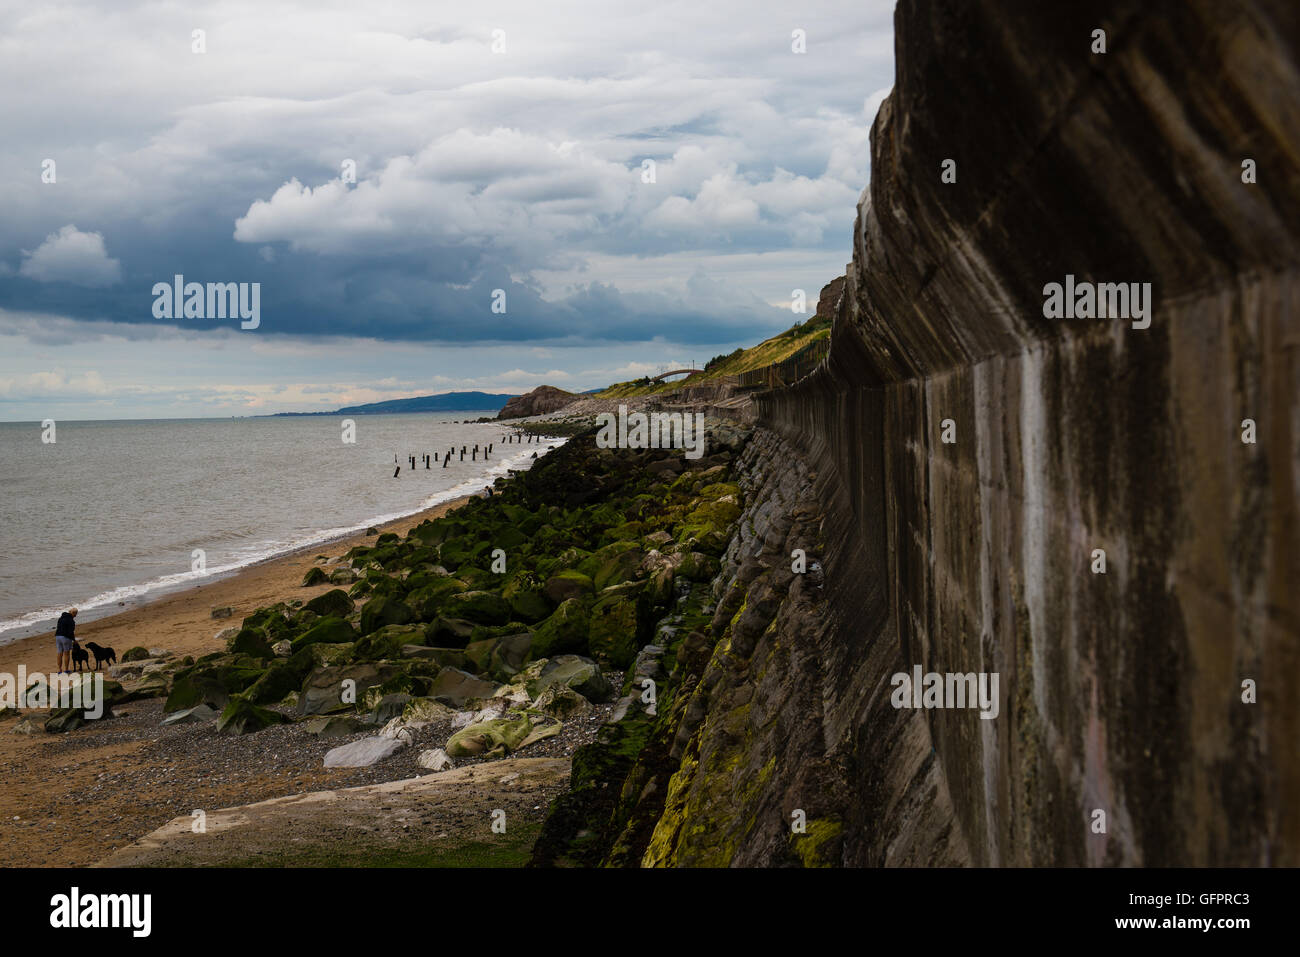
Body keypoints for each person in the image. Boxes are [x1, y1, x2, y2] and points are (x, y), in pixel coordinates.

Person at [55, 607, 78, 674]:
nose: (76, 615)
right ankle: (66, 670)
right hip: (65, 638)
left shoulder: (60, 618)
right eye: (76, 614)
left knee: (59, 653)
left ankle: (59, 670)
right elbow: (71, 632)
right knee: (66, 654)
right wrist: (74, 640)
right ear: (73, 613)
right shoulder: (71, 621)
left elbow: (58, 627)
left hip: (58, 636)